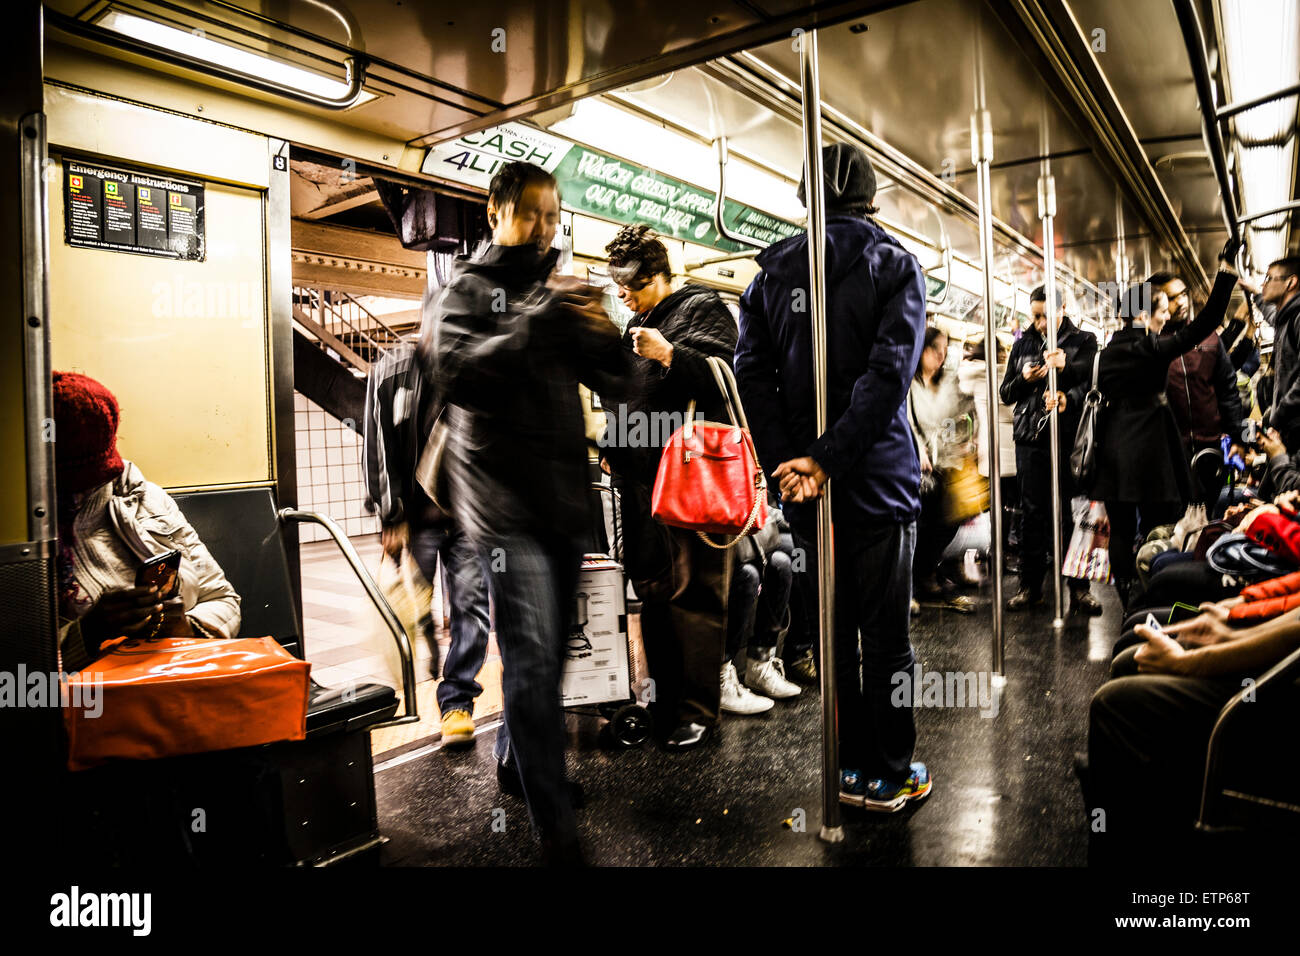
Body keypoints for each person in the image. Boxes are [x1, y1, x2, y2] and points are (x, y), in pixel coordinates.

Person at [424, 160, 629, 865]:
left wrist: (614, 335)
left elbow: (623, 383)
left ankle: (525, 769)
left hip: (563, 506)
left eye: (552, 215)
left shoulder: (555, 295)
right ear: (495, 211)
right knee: (536, 662)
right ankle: (556, 835)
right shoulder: (465, 291)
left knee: (547, 666)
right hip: (503, 510)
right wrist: (537, 323)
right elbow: (457, 372)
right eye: (532, 213)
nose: (544, 228)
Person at [736, 142, 931, 812]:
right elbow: (886, 380)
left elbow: (753, 377)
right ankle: (892, 771)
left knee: (833, 637)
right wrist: (829, 457)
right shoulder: (895, 268)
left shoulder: (767, 278)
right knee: (887, 641)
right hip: (878, 483)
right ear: (871, 198)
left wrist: (792, 464)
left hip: (805, 493)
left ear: (802, 196)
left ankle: (848, 768)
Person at [598, 224, 740, 751]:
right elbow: (625, 396)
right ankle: (661, 700)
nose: (623, 293)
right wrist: (613, 445)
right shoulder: (636, 320)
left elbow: (723, 379)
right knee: (654, 592)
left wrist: (668, 355)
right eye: (619, 285)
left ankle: (699, 711)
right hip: (639, 481)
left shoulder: (702, 309)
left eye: (631, 284)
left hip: (689, 478)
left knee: (696, 593)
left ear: (660, 275)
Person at [52, 371, 241, 672]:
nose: (83, 493)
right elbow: (16, 671)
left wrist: (189, 629)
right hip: (89, 705)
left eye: (94, 479)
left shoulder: (146, 498)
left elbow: (222, 598)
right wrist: (87, 633)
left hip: (173, 685)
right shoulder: (24, 537)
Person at [1089, 245, 1240, 612]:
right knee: (1158, 527)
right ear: (1143, 315)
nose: (1165, 317)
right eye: (1160, 310)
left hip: (1113, 454)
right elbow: (1207, 322)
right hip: (1154, 455)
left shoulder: (1100, 357)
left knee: (1122, 531)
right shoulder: (1155, 349)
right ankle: (1152, 595)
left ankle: (1127, 600)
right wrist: (1225, 272)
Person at [363, 323, 491, 747]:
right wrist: (390, 514)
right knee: (413, 609)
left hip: (468, 515)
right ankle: (428, 671)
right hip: (415, 520)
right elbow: (377, 445)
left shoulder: (475, 366)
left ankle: (456, 703)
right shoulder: (391, 371)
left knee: (471, 607)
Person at [999, 286, 1101, 615]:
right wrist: (1025, 379)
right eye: (1036, 316)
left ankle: (1080, 588)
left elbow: (1093, 383)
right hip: (1031, 436)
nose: (1040, 323)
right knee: (1032, 513)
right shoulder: (1022, 344)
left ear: (1062, 310)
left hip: (1069, 437)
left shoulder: (1084, 341)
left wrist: (1066, 396)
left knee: (1073, 511)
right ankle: (1031, 587)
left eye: (1045, 315)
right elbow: (1006, 392)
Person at [907, 325, 976, 612]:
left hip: (949, 464)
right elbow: (906, 421)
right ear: (922, 351)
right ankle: (913, 581)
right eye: (936, 349)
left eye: (945, 349)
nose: (942, 355)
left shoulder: (950, 382)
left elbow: (966, 414)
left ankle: (926, 572)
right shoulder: (908, 385)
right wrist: (917, 448)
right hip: (919, 468)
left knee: (946, 525)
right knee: (920, 527)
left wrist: (967, 439)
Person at [1150, 270, 1246, 469]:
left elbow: (1228, 389)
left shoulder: (1209, 339)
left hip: (1210, 448)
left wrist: (1238, 438)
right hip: (1166, 451)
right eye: (1172, 298)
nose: (1182, 302)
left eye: (1184, 294)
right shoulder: (1149, 345)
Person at [721, 489, 800, 714]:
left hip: (740, 529)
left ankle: (760, 663)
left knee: (781, 564)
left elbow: (756, 500)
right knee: (747, 576)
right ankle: (721, 676)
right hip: (709, 535)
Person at [959, 336, 1019, 565]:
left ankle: (994, 548)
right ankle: (998, 552)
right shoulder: (1000, 376)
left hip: (987, 448)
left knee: (995, 505)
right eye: (1002, 351)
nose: (1005, 355)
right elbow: (1011, 413)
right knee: (1006, 506)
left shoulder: (972, 376)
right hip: (1006, 450)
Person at [1261, 257, 1300, 448]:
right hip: (1289, 428)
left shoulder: (1297, 319)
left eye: (1269, 278)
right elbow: (1269, 313)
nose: (1263, 284)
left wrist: (1279, 414)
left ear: (1291, 282)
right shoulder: (1284, 320)